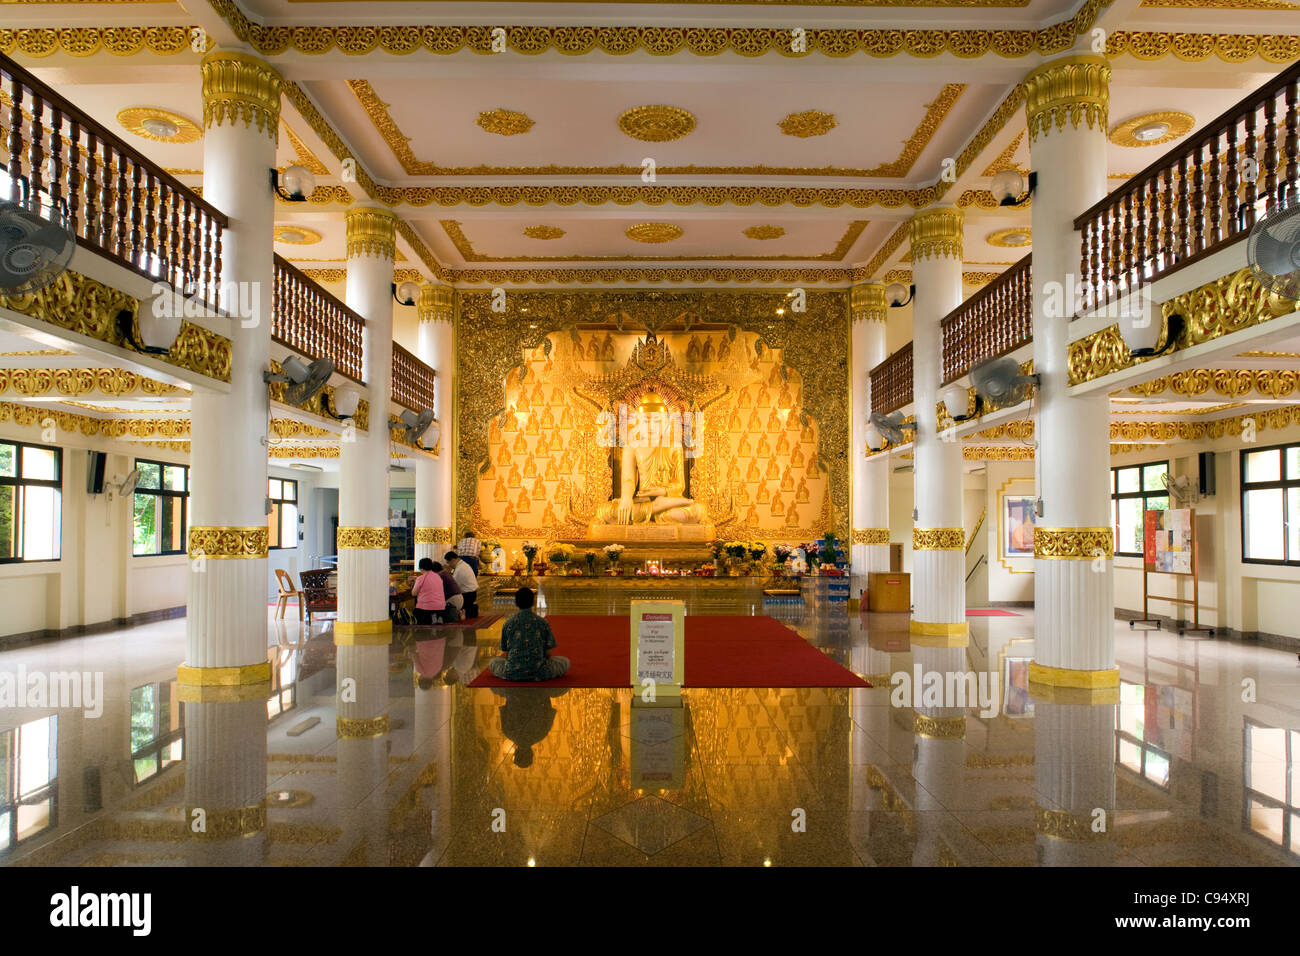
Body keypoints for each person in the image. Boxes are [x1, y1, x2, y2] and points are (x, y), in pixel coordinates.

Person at [488, 587, 569, 682]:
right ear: (533, 603)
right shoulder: (543, 622)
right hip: (540, 672)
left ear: (515, 603)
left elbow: (507, 654)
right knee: (565, 662)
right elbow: (548, 654)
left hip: (513, 672)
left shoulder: (508, 623)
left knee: (493, 662)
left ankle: (515, 672)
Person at [410, 557, 446, 625]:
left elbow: (414, 593)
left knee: (413, 618)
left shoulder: (421, 578)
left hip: (426, 608)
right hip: (441, 608)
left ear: (421, 568)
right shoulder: (438, 576)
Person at [445, 550, 478, 619]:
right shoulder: (463, 565)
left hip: (467, 596)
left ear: (453, 560)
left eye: (448, 562)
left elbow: (453, 587)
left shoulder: (460, 569)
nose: (448, 565)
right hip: (472, 594)